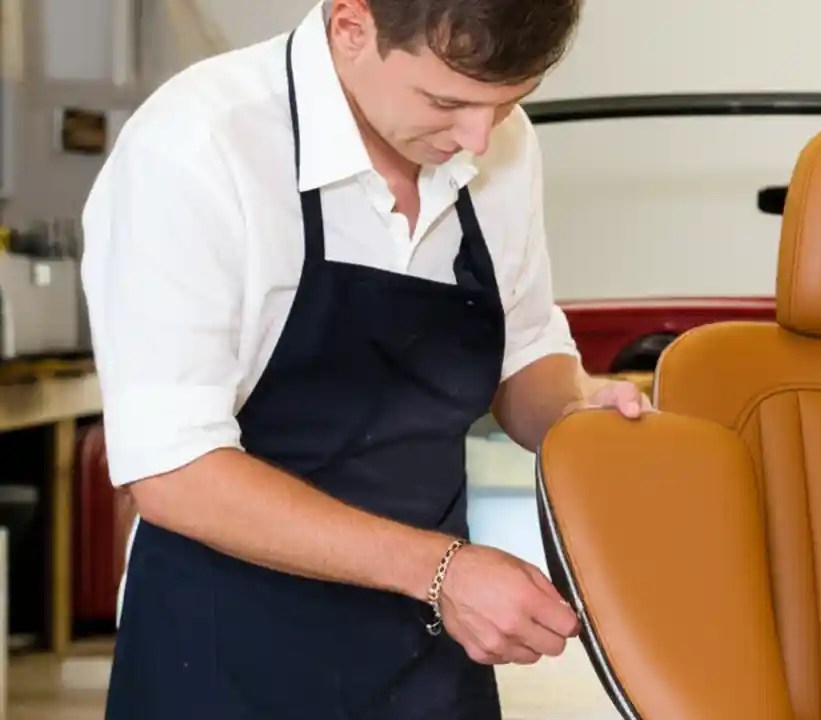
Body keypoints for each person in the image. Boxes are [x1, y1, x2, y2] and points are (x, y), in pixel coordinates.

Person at [79, 0, 651, 717]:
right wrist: (442, 572)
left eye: (509, 103)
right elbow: (173, 470)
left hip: (427, 659)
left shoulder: (499, 140)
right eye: (447, 101)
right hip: (224, 655)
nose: (478, 135)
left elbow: (524, 351)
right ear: (352, 27)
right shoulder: (198, 146)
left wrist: (574, 408)